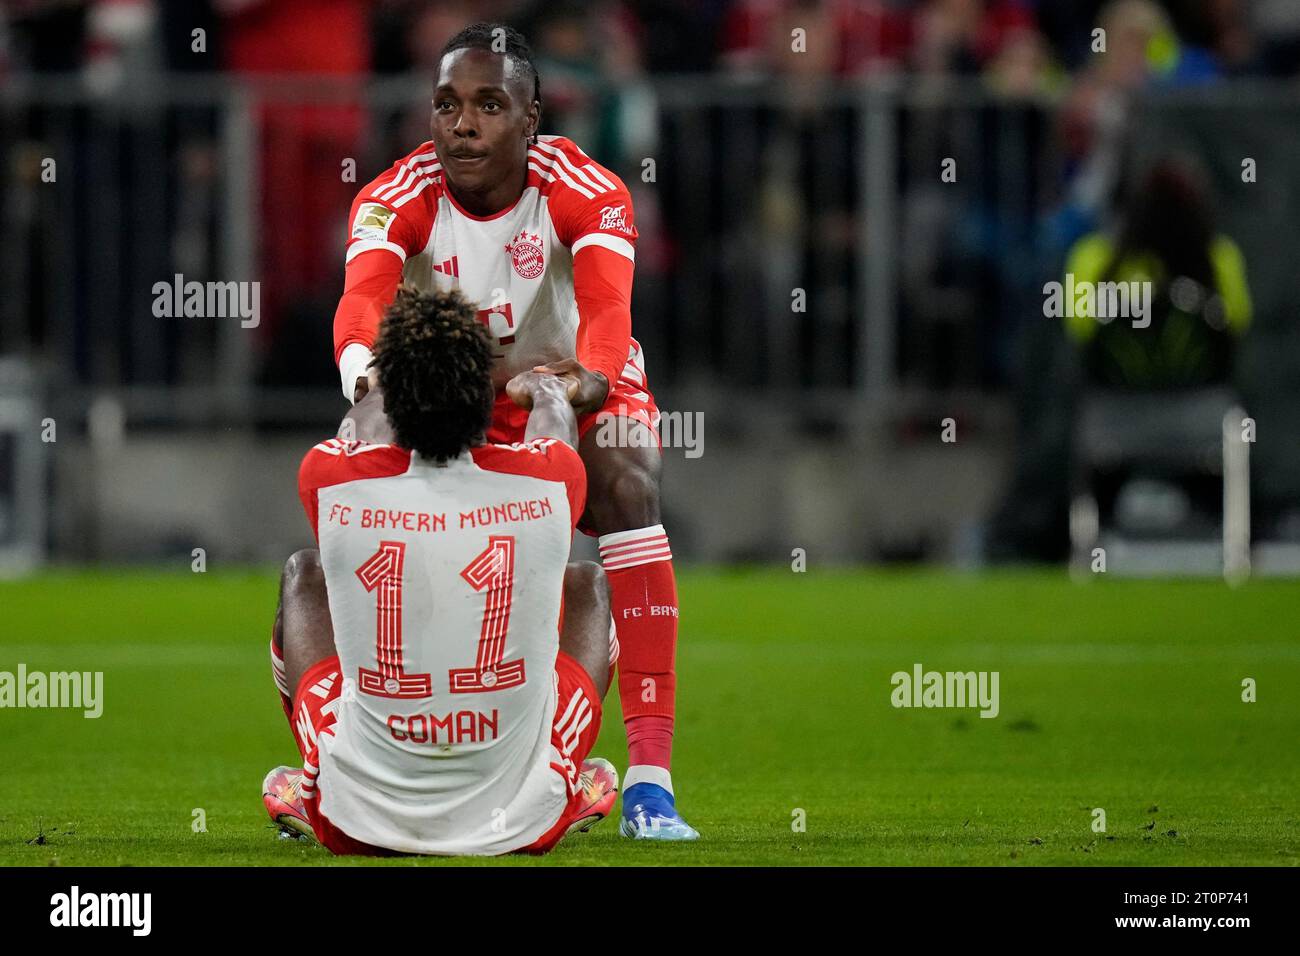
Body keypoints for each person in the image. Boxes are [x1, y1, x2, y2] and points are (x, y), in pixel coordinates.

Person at [327, 22, 695, 838]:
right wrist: (372, 387)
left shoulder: (585, 187)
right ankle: (356, 758)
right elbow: (359, 310)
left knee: (629, 477)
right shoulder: (395, 194)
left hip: (569, 379)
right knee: (365, 454)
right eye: (447, 104)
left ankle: (649, 783)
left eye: (490, 105)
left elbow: (606, 317)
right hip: (457, 390)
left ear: (533, 120)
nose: (462, 124)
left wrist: (581, 385)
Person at [263, 287, 619, 856]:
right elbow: (555, 427)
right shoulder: (551, 479)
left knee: (305, 575)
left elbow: (363, 425)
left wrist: (391, 374)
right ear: (487, 397)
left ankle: (316, 781)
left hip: (354, 823)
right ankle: (561, 782)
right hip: (521, 823)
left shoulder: (329, 480)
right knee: (588, 587)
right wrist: (545, 390)